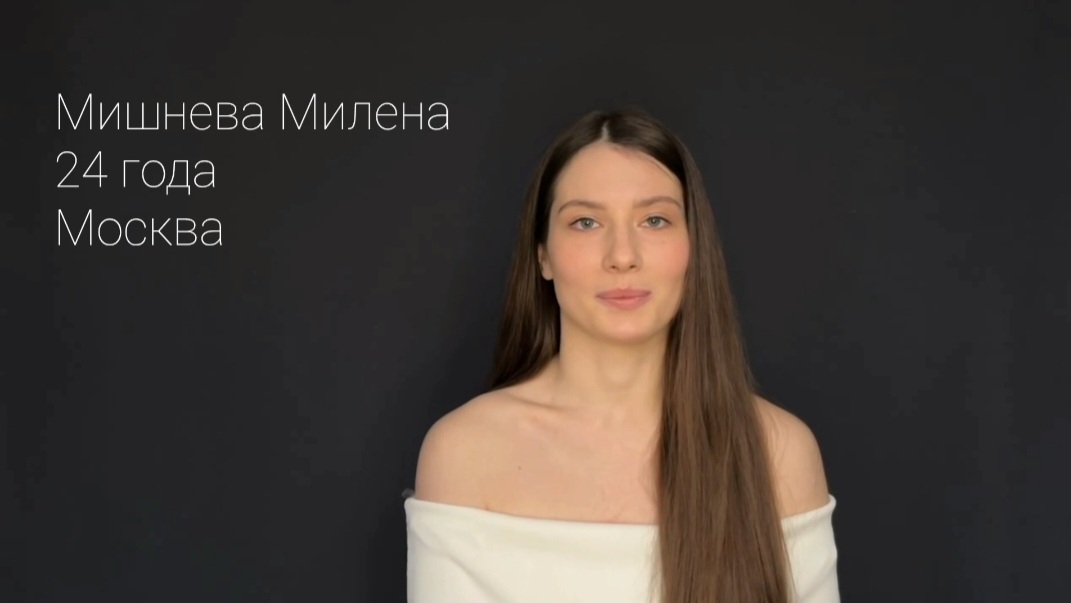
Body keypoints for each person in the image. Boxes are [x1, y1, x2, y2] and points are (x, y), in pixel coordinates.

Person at [403, 107, 839, 602]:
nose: (623, 255)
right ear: (543, 255)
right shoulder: (465, 453)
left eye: (654, 220)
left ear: (694, 247)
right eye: (586, 222)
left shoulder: (777, 452)